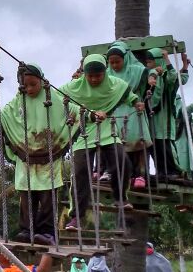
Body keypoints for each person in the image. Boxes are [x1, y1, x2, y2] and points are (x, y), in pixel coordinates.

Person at [0, 63, 77, 245]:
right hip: (26, 157)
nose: (30, 89)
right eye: (25, 86)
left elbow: (75, 111)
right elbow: (5, 114)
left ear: (41, 80)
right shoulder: (19, 99)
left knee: (47, 197)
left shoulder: (54, 97)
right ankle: (27, 230)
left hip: (49, 154)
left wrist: (89, 116)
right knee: (26, 196)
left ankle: (48, 232)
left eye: (33, 84)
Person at [61, 53, 144, 224]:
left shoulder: (114, 84)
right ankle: (77, 215)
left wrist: (136, 102)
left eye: (98, 75)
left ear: (105, 73)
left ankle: (121, 198)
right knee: (80, 171)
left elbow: (127, 93)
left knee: (122, 161)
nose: (93, 79)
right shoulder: (74, 86)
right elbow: (57, 96)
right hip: (83, 130)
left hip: (107, 128)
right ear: (84, 74)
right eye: (90, 76)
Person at [106, 40, 153, 190]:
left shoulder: (137, 70)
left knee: (139, 142)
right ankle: (120, 174)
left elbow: (151, 72)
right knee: (117, 144)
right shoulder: (106, 74)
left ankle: (140, 174)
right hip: (116, 112)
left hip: (134, 111)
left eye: (117, 62)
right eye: (111, 62)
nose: (114, 65)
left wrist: (153, 75)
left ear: (125, 58)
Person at [143, 48, 189, 181]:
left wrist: (169, 61)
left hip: (164, 118)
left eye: (150, 62)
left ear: (158, 61)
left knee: (164, 144)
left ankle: (172, 170)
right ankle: (162, 171)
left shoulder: (167, 76)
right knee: (154, 145)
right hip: (153, 117)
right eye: (147, 62)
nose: (148, 64)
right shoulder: (150, 74)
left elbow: (178, 77)